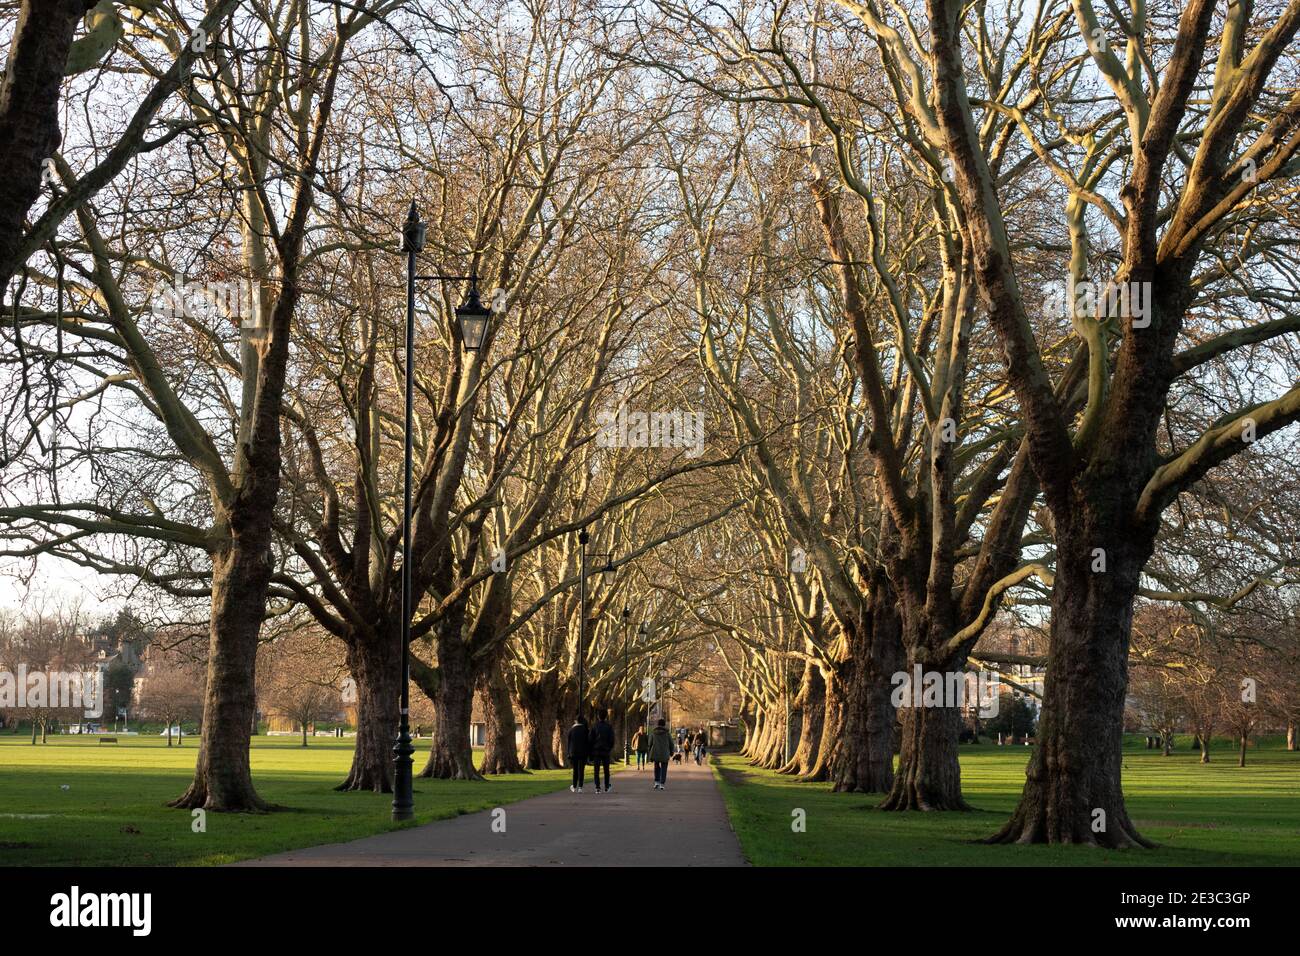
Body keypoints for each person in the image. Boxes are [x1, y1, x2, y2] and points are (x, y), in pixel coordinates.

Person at [588, 708, 615, 793]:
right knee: (606, 770)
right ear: (606, 716)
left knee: (596, 770)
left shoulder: (594, 726)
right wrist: (609, 748)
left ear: (598, 717)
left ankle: (597, 787)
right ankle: (606, 787)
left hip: (596, 751)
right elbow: (612, 739)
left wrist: (592, 749)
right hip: (605, 751)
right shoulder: (609, 727)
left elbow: (590, 739)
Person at [648, 717, 674, 790]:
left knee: (656, 767)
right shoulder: (667, 733)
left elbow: (650, 743)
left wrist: (650, 751)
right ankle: (662, 784)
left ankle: (656, 782)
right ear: (664, 725)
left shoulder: (653, 732)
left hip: (655, 752)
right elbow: (671, 743)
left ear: (658, 724)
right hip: (665, 753)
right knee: (664, 768)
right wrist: (671, 752)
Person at [566, 714, 590, 792]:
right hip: (583, 753)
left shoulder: (571, 730)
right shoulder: (585, 730)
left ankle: (574, 786)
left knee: (575, 770)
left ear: (575, 721)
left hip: (573, 752)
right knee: (581, 770)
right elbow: (588, 742)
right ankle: (580, 787)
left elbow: (569, 742)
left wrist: (568, 752)